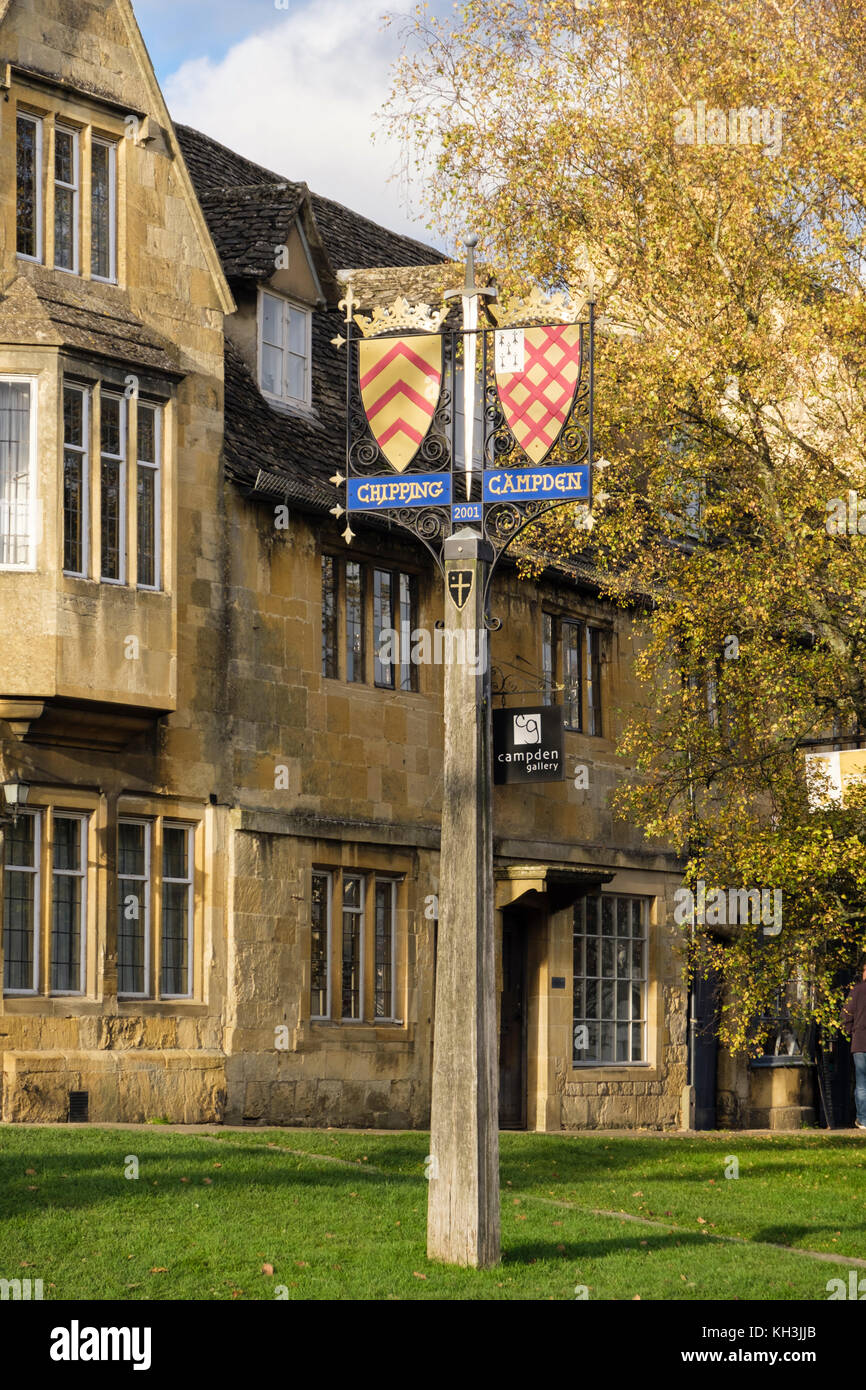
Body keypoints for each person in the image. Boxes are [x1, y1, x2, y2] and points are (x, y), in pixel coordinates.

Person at [840, 959, 866, 1130]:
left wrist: (850, 1030)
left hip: (861, 1041)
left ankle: (863, 1119)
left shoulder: (857, 990)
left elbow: (846, 1015)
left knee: (862, 1083)